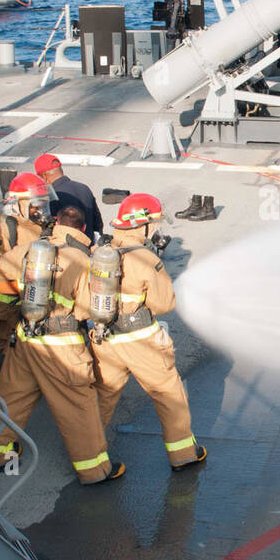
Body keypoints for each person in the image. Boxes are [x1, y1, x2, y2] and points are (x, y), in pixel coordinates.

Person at [0, 203, 121, 485]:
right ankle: (94, 470)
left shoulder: (29, 250)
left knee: (12, 399)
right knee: (78, 407)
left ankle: (0, 456)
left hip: (25, 338)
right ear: (83, 229)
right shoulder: (85, 259)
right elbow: (88, 310)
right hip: (62, 345)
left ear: (56, 222)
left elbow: (0, 277)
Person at [90, 193, 205, 471]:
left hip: (104, 338)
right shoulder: (144, 259)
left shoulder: (100, 251)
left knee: (103, 398)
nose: (154, 229)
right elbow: (164, 303)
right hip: (139, 339)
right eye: (151, 224)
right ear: (140, 225)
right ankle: (184, 454)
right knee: (168, 393)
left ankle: (91, 458)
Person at [0, 173, 47, 382]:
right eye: (35, 205)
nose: (39, 210)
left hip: (35, 301)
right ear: (18, 204)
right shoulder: (6, 231)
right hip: (12, 306)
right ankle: (0, 389)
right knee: (8, 354)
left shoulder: (38, 227)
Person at [34, 153, 101, 244]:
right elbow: (98, 223)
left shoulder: (52, 198)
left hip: (67, 251)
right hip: (89, 247)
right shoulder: (84, 188)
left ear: (44, 176)